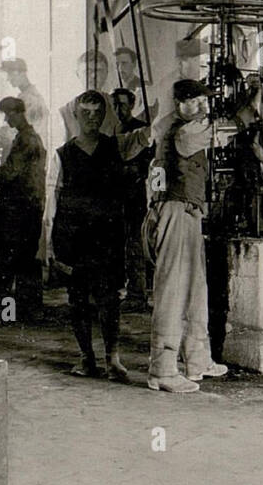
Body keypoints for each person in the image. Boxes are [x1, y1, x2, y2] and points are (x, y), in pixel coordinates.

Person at [53, 91, 151, 381]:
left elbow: (147, 136)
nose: (91, 117)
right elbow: (54, 198)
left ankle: (113, 360)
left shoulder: (117, 146)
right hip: (75, 237)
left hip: (108, 236)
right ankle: (86, 358)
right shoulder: (63, 154)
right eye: (85, 112)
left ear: (104, 115)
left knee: (109, 300)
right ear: (76, 115)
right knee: (78, 299)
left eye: (97, 112)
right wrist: (52, 242)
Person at [143, 79, 230, 393]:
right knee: (173, 291)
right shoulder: (183, 132)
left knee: (196, 290)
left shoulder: (170, 126)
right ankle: (162, 370)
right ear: (179, 102)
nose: (202, 107)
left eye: (204, 101)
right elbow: (223, 133)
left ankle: (197, 360)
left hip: (185, 210)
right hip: (175, 212)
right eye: (195, 101)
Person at [0, 97, 46, 324]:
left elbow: (8, 173)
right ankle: (26, 314)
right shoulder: (31, 138)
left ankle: (0, 315)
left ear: (17, 112)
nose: (6, 118)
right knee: (25, 262)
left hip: (19, 209)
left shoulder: (26, 139)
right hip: (30, 207)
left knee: (3, 262)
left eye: (7, 114)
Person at [112, 87, 153, 308]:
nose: (119, 109)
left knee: (135, 245)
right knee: (122, 245)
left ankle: (138, 294)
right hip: (119, 196)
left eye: (123, 104)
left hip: (136, 195)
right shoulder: (116, 128)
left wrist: (134, 172)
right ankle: (127, 289)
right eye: (115, 105)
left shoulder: (140, 130)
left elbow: (150, 163)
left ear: (132, 105)